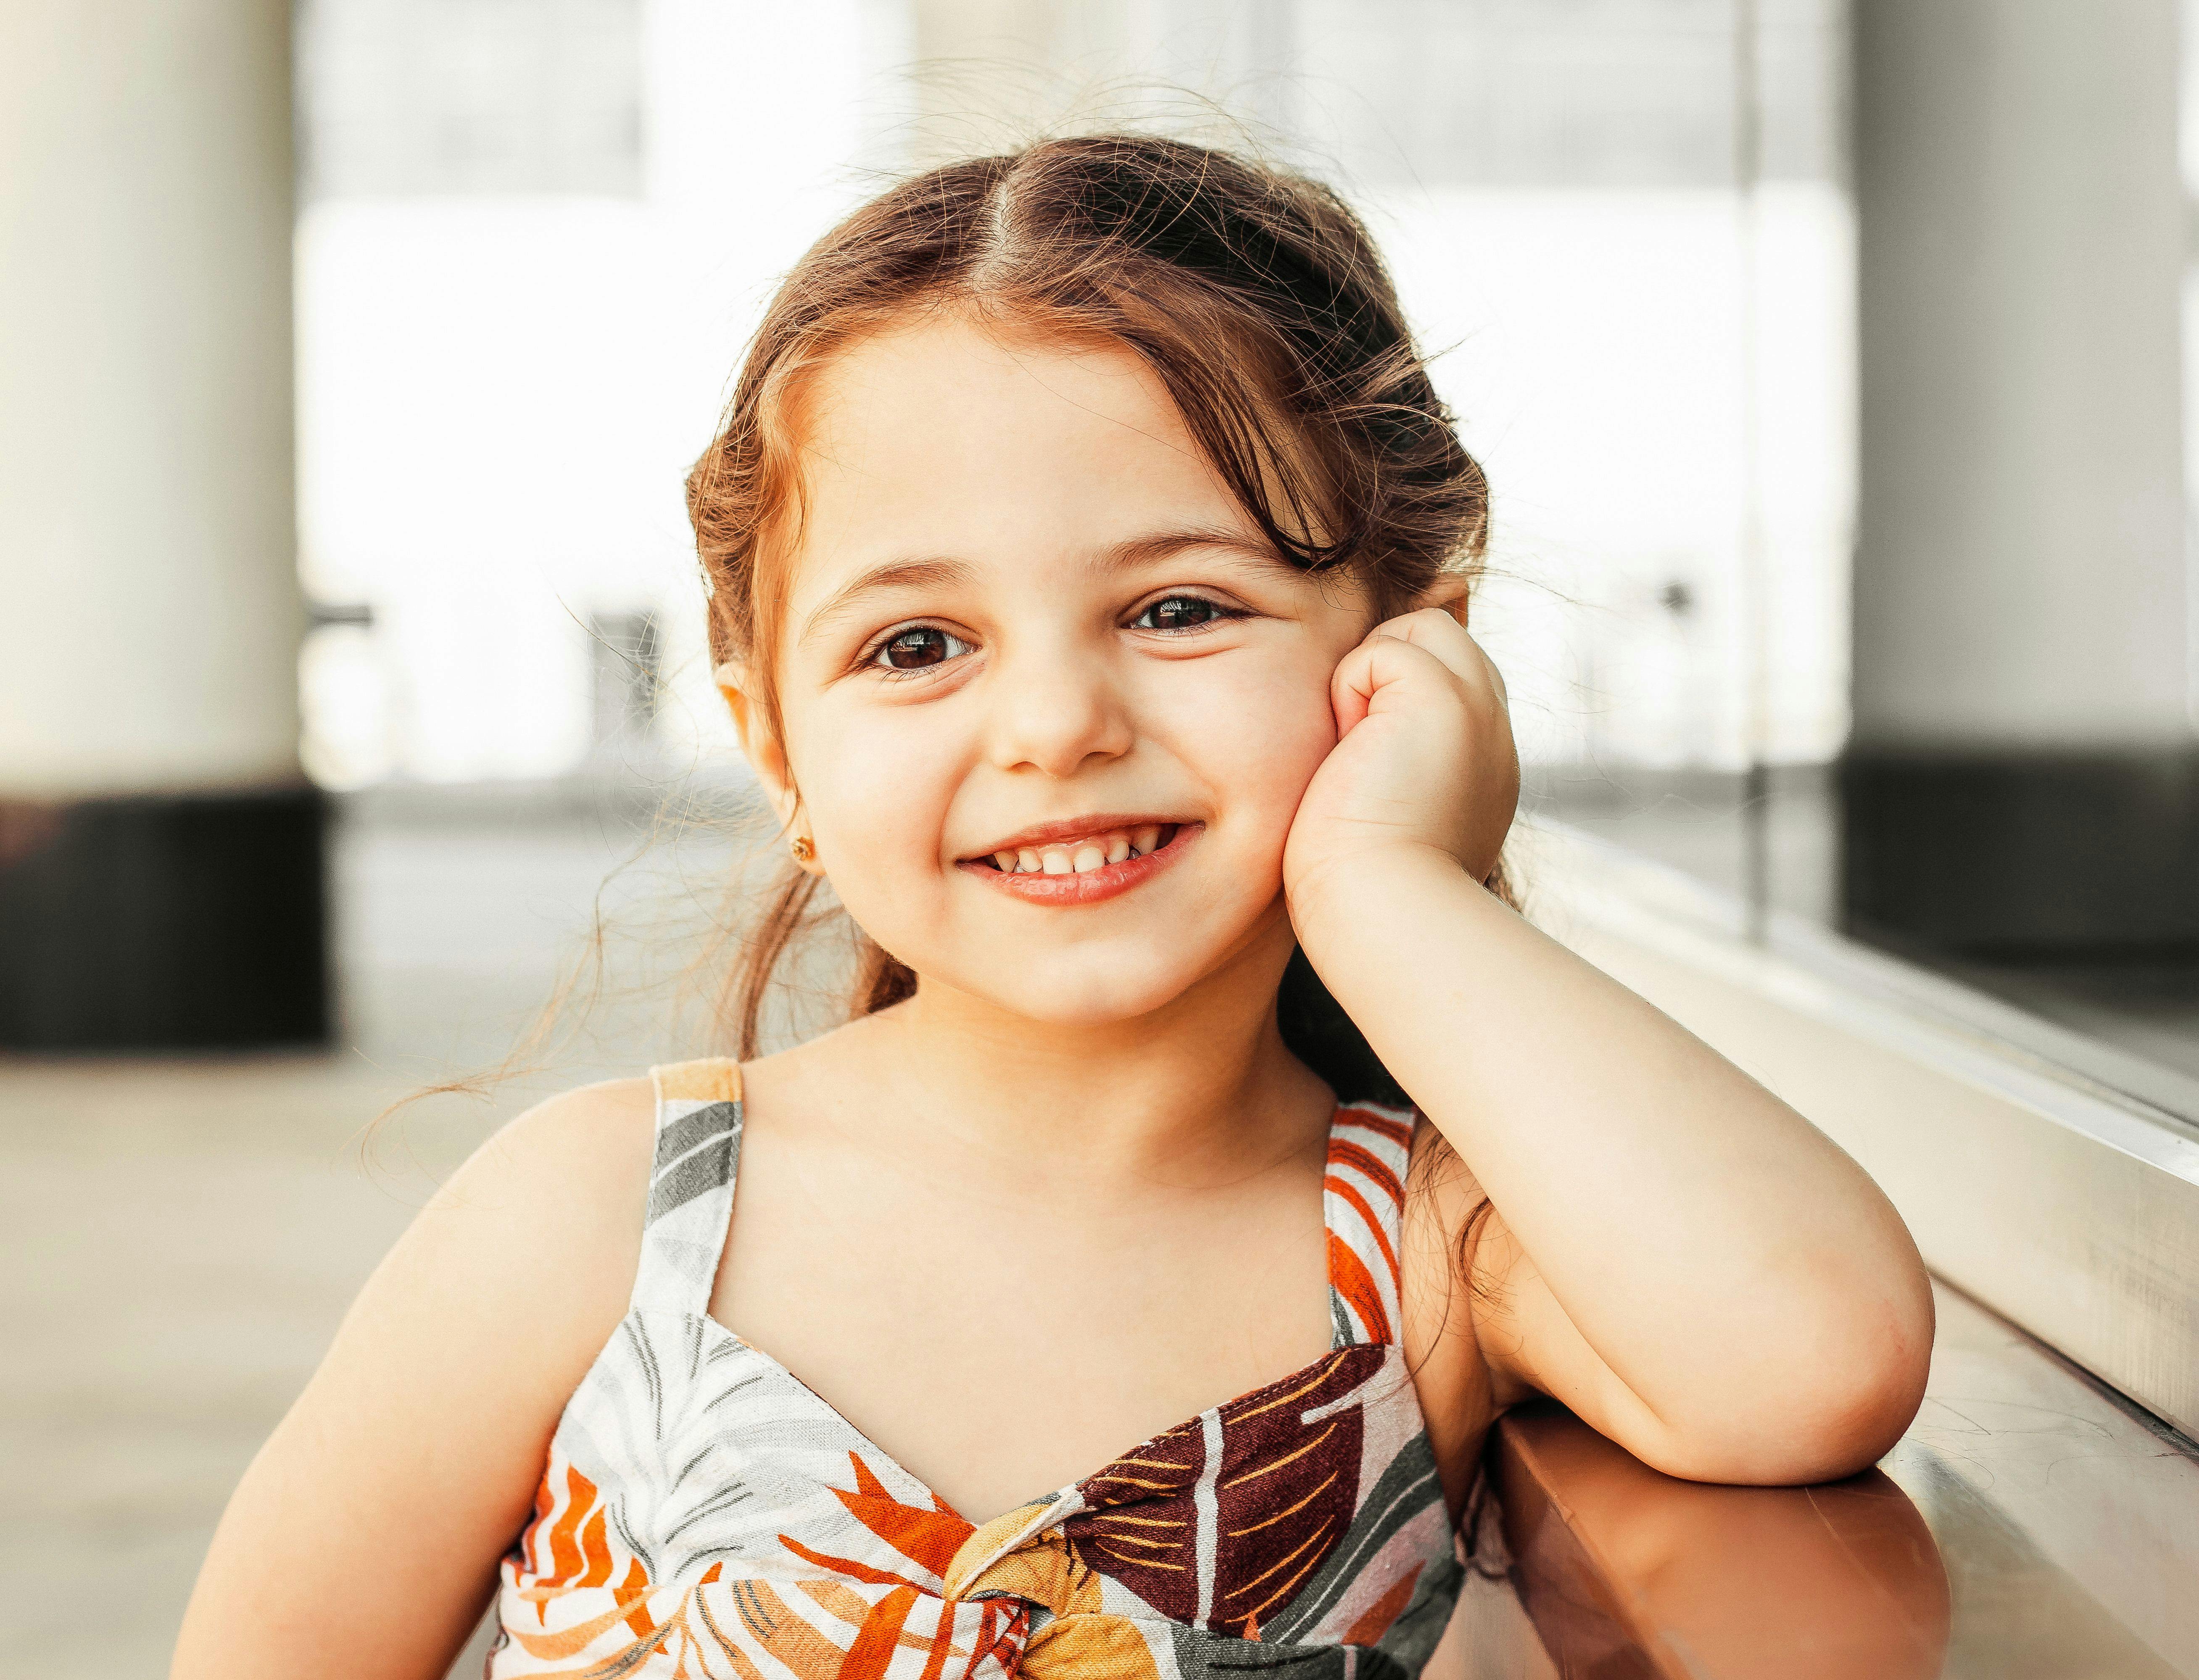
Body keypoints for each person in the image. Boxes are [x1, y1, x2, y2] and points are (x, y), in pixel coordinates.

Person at [173, 134, 1933, 1680]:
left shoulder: (1428, 1251)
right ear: (773, 742)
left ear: (1408, 655)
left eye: (1180, 609)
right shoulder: (599, 1221)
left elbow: (1810, 1349)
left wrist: (1392, 881)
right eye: (916, 645)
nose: (1057, 727)